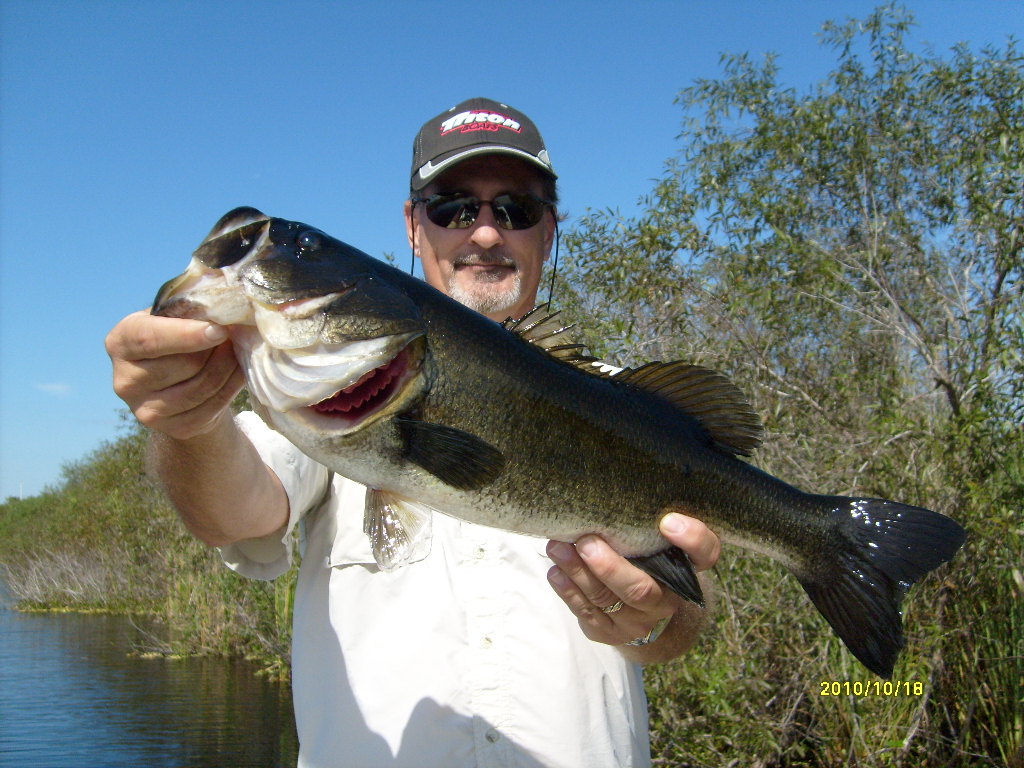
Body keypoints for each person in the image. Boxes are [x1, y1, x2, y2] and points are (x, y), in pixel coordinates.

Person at [106, 97, 721, 768]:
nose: (484, 232)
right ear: (413, 225)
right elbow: (234, 509)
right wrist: (189, 424)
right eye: (453, 206)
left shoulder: (630, 409)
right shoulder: (326, 396)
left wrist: (658, 619)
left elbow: (685, 604)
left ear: (550, 231)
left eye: (515, 209)